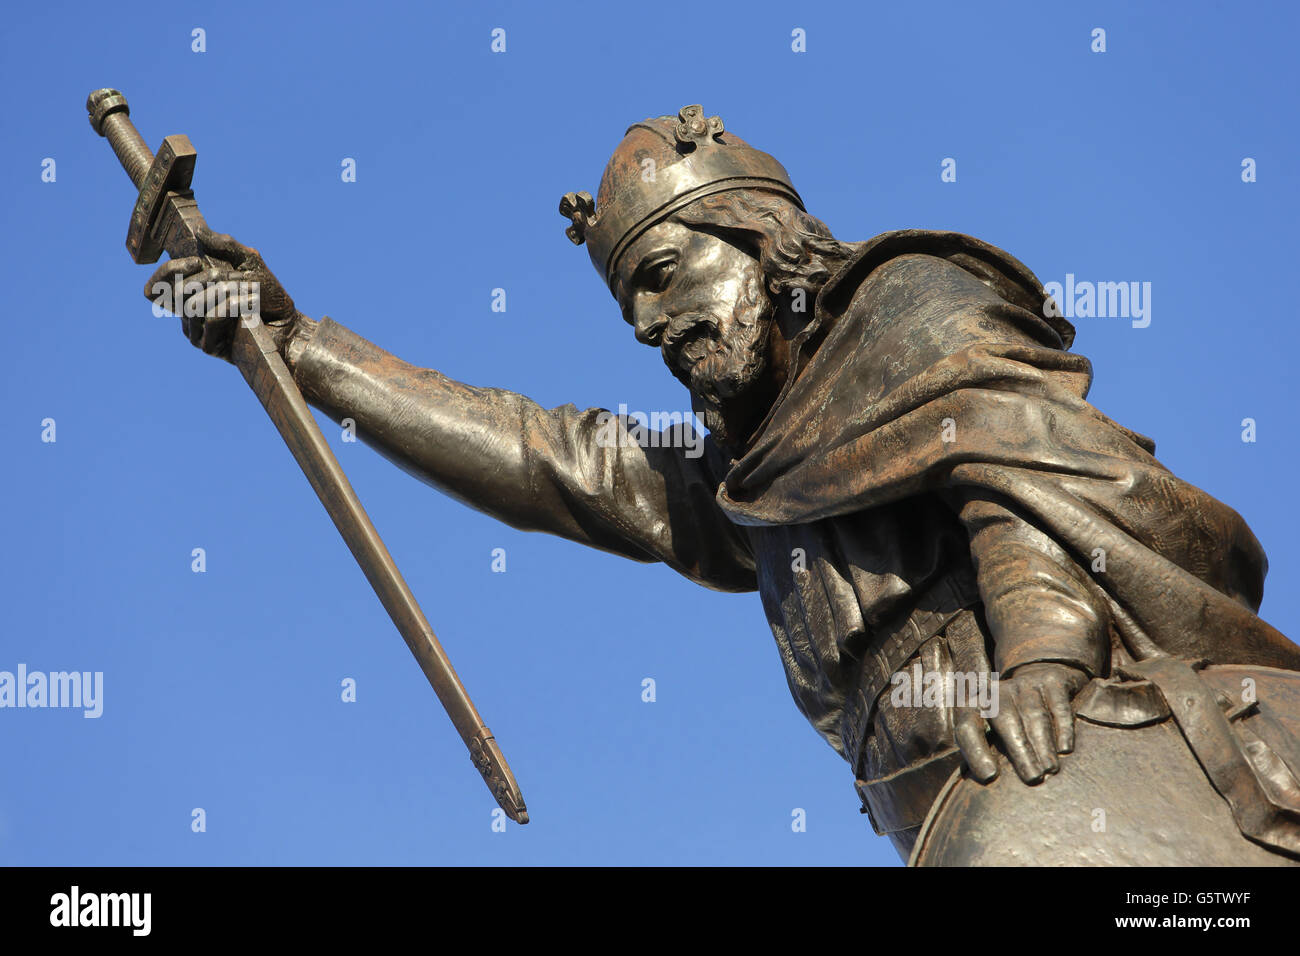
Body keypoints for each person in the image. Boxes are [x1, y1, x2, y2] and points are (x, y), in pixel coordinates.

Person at [145, 104, 1300, 862]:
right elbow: (553, 458)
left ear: (755, 234)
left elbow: (1019, 464)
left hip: (1065, 746)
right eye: (630, 307)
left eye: (661, 274)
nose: (652, 324)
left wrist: (1045, 652)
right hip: (940, 809)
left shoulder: (906, 309)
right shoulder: (760, 477)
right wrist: (298, 346)